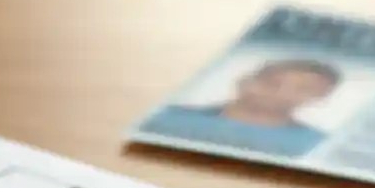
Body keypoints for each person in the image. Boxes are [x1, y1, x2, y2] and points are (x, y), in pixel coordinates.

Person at [139, 59, 341, 157]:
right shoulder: (168, 116)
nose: (283, 92)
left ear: (319, 98)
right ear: (245, 81)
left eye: (303, 89)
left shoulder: (317, 146)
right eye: (273, 82)